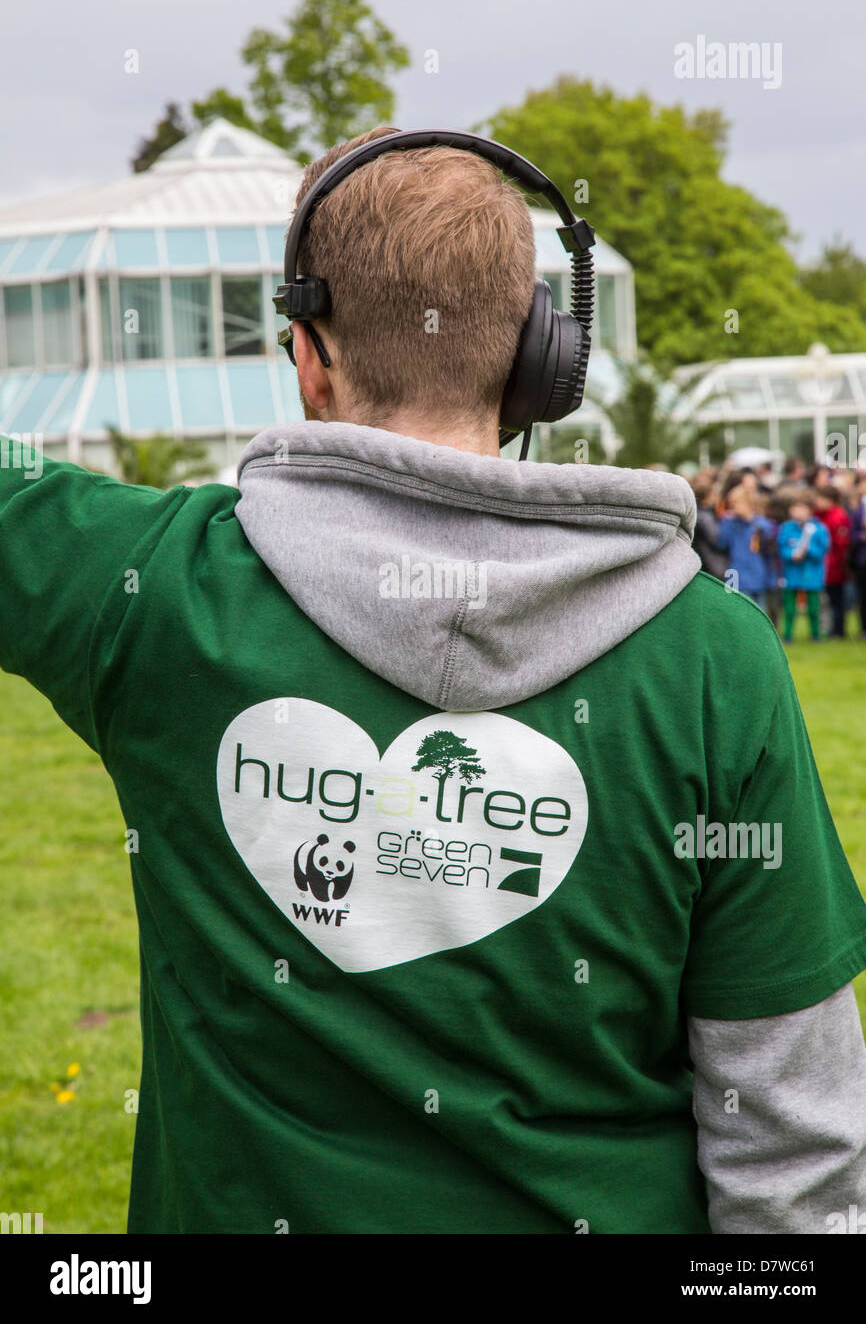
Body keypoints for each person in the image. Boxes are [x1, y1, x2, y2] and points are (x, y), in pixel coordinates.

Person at [2, 126, 866, 1237]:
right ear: (540, 362)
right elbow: (791, 1139)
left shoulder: (152, 588)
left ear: (307, 358)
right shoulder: (713, 658)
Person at [778, 494, 831, 642]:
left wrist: (809, 549)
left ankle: (815, 635)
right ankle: (788, 635)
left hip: (812, 573)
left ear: (809, 510)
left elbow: (823, 550)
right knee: (789, 608)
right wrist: (791, 554)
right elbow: (782, 548)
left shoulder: (819, 529)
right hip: (792, 572)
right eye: (795, 508)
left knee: (814, 607)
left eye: (802, 508)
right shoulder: (786, 528)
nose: (798, 512)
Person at [715, 481, 776, 609]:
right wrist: (727, 523)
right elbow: (722, 544)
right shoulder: (731, 523)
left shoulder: (762, 525)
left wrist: (771, 578)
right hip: (736, 575)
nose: (732, 508)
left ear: (747, 503)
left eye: (735, 504)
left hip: (758, 574)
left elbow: (769, 552)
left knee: (759, 611)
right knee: (737, 611)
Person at [813, 484, 852, 638]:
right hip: (826, 564)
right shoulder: (821, 514)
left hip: (835, 566)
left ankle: (838, 630)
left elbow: (841, 544)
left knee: (836, 599)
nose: (817, 501)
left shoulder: (837, 516)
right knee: (829, 599)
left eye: (820, 498)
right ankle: (831, 628)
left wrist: (835, 563)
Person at [689, 469, 727, 580]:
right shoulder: (705, 517)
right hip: (711, 565)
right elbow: (717, 539)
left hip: (705, 563)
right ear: (707, 497)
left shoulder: (699, 513)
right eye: (714, 494)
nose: (716, 497)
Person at [849, 475, 866, 638]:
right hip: (862, 559)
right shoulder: (857, 511)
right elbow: (851, 534)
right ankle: (864, 628)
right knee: (863, 597)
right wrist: (861, 536)